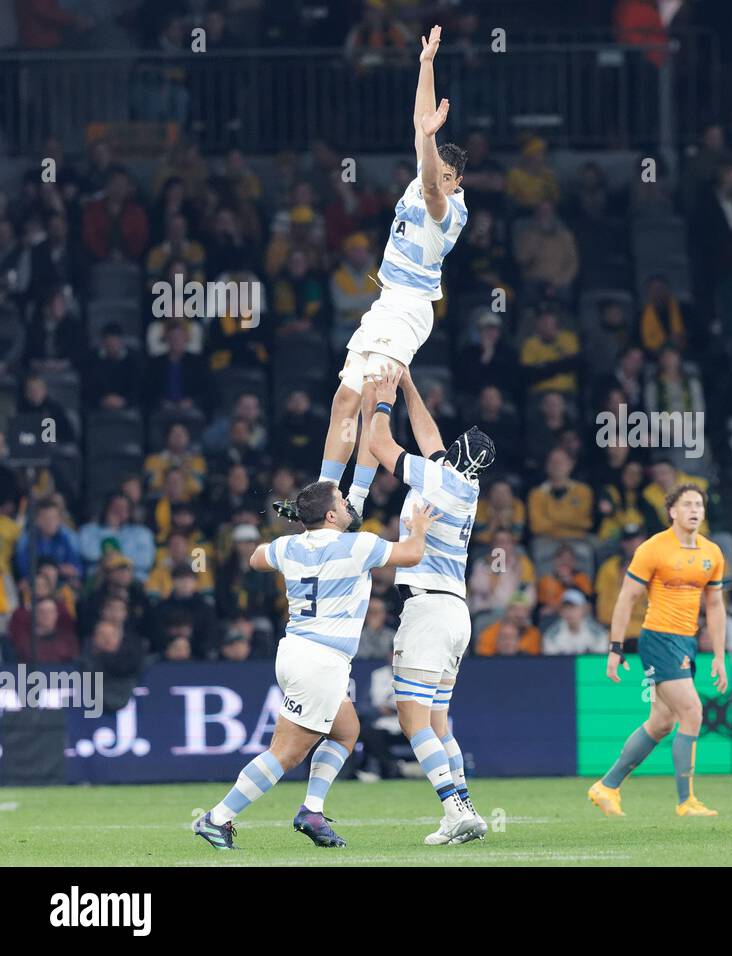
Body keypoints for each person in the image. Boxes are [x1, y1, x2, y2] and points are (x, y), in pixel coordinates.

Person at [192, 480, 432, 851]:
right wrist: (419, 526)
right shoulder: (360, 544)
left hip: (297, 653)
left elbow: (256, 558)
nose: (349, 504)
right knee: (286, 752)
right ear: (332, 514)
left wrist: (302, 528)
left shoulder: (288, 547)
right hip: (319, 662)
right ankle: (217, 818)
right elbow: (413, 554)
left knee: (346, 730)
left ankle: (312, 811)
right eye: (341, 500)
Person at [310, 25, 469, 526]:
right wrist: (425, 64)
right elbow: (421, 127)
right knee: (344, 397)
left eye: (443, 171)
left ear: (456, 181)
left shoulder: (450, 207)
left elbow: (428, 171)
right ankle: (321, 497)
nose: (432, 173)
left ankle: (354, 500)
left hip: (410, 310)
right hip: (384, 304)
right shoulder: (425, 167)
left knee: (372, 399)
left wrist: (429, 142)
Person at [368, 363, 496, 846]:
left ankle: (450, 805)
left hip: (428, 610)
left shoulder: (438, 481)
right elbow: (429, 438)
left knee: (411, 717)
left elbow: (382, 447)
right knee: (437, 718)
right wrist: (409, 385)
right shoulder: (462, 481)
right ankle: (463, 806)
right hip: (453, 610)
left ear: (460, 454)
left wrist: (381, 400)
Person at [587, 484, 728, 817]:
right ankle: (686, 801)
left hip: (687, 641)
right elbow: (627, 598)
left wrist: (720, 655)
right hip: (659, 638)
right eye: (687, 505)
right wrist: (615, 648)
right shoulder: (653, 549)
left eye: (699, 505)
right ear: (672, 512)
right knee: (692, 711)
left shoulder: (712, 553)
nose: (695, 510)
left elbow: (716, 604)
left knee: (662, 722)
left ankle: (606, 786)